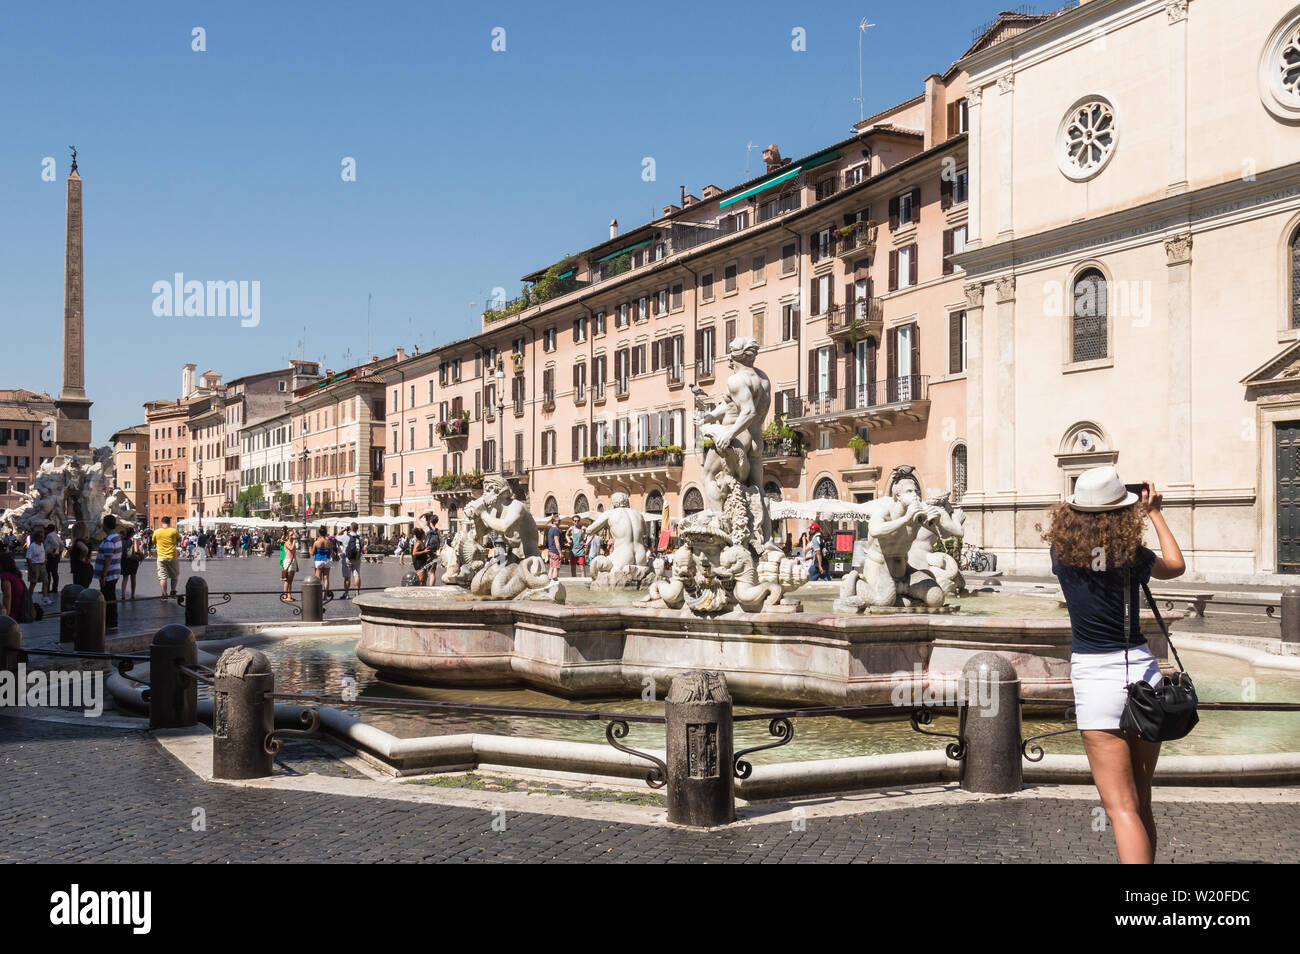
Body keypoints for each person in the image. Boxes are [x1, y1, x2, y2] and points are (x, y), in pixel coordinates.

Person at [1042, 466, 1185, 865]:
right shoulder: (1132, 556)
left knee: (1120, 809)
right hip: (1143, 672)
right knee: (1141, 801)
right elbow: (1175, 565)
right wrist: (1153, 513)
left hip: (1097, 679)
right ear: (1123, 509)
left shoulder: (1061, 554)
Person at [93, 515, 123, 631]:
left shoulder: (110, 539)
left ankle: (111, 621)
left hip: (109, 574)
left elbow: (108, 558)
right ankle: (111, 620)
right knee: (110, 596)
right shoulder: (116, 537)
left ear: (105, 525)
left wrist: (104, 575)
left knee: (108, 597)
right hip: (114, 571)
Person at [154, 516, 182, 598]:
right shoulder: (174, 531)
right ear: (169, 522)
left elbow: (153, 541)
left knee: (162, 577)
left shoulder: (157, 531)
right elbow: (179, 539)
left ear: (161, 523)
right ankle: (173, 591)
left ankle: (164, 594)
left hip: (161, 557)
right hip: (172, 556)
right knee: (174, 576)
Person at [1, 552, 27, 619]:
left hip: (14, 612)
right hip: (21, 608)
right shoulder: (15, 575)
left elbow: (7, 596)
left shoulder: (5, 576)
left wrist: (7, 616)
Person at [340, 521, 362, 599]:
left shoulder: (346, 536)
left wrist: (342, 530)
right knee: (357, 575)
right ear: (357, 529)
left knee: (347, 577)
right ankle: (357, 593)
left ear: (350, 528)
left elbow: (335, 537)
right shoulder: (360, 537)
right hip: (357, 558)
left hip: (347, 558)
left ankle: (346, 594)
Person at [24, 531, 48, 603]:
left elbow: (43, 553)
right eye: (41, 537)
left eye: (43, 536)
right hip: (35, 565)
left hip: (42, 565)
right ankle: (28, 598)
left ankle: (45, 597)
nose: (43, 538)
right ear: (37, 538)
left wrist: (45, 559)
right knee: (33, 583)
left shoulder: (42, 544)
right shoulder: (32, 546)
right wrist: (32, 568)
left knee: (46, 581)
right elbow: (28, 558)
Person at [68, 523, 94, 588]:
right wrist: (86, 559)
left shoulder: (78, 541)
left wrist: (81, 558)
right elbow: (89, 555)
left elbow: (85, 549)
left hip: (80, 570)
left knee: (78, 590)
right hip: (87, 569)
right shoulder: (89, 542)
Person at [43, 523, 63, 601]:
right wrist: (59, 553)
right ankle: (55, 588)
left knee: (47, 572)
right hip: (56, 556)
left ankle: (46, 588)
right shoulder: (56, 535)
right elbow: (61, 544)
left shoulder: (49, 536)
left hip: (51, 556)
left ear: (48, 529)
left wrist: (53, 552)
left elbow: (55, 544)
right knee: (54, 572)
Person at [120, 528, 141, 600]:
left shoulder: (122, 541)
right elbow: (136, 550)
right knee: (133, 578)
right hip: (133, 561)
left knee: (125, 578)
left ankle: (123, 595)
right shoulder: (133, 540)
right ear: (132, 533)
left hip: (124, 560)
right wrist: (142, 554)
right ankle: (132, 595)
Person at [312, 526, 333, 597]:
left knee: (318, 579)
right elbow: (331, 553)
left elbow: (312, 553)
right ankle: (325, 596)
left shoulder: (316, 542)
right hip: (326, 560)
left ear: (319, 533)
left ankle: (318, 595)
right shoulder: (329, 542)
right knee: (326, 579)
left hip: (318, 560)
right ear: (326, 533)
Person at [280, 528, 299, 601]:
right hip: (287, 561)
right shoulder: (286, 543)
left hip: (293, 561)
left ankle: (289, 595)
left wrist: (297, 565)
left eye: (293, 534)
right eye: (291, 535)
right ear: (288, 536)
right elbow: (291, 549)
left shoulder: (293, 543)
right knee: (287, 580)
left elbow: (294, 554)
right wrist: (294, 540)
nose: (293, 536)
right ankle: (285, 596)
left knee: (291, 581)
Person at [546, 516, 564, 581]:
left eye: (559, 520)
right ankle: (555, 581)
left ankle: (548, 581)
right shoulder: (556, 530)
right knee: (556, 567)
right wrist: (560, 553)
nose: (559, 522)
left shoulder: (550, 529)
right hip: (555, 551)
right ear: (553, 521)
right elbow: (556, 542)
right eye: (558, 521)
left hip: (550, 551)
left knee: (551, 567)